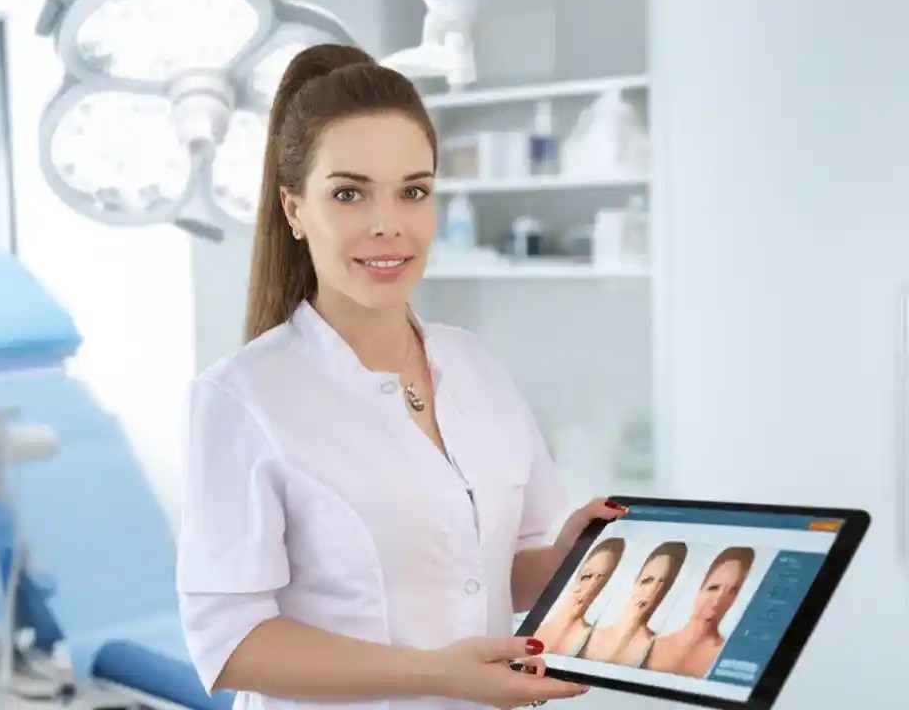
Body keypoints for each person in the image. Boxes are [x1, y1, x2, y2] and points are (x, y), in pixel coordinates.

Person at [175, 43, 627, 710]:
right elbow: (232, 643)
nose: (388, 226)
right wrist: (434, 674)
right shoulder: (242, 397)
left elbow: (489, 574)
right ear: (294, 209)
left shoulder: (474, 365)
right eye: (349, 194)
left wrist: (564, 557)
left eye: (413, 191)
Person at [643, 547, 755, 678]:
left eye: (732, 591)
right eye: (713, 588)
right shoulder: (650, 646)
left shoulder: (728, 659)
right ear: (699, 588)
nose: (719, 599)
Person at [577, 541, 687, 668]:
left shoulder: (658, 651)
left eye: (664, 584)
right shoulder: (591, 635)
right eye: (647, 580)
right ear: (635, 581)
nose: (652, 592)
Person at [533, 538, 626, 656]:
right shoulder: (536, 629)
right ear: (577, 575)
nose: (591, 587)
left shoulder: (595, 641)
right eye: (587, 576)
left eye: (602, 580)